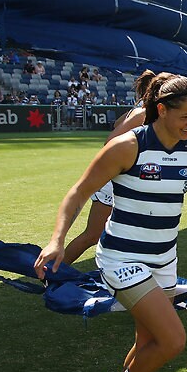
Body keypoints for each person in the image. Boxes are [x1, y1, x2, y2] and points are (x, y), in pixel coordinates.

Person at [34, 72, 187, 372]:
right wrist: (57, 239)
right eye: (185, 116)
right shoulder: (128, 146)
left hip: (163, 259)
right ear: (161, 110)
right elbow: (77, 193)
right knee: (173, 340)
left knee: (149, 341)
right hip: (122, 258)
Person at [62, 85, 151, 264]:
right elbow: (110, 141)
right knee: (92, 235)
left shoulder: (142, 111)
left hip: (130, 179)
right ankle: (51, 272)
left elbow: (118, 122)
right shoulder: (142, 113)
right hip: (115, 179)